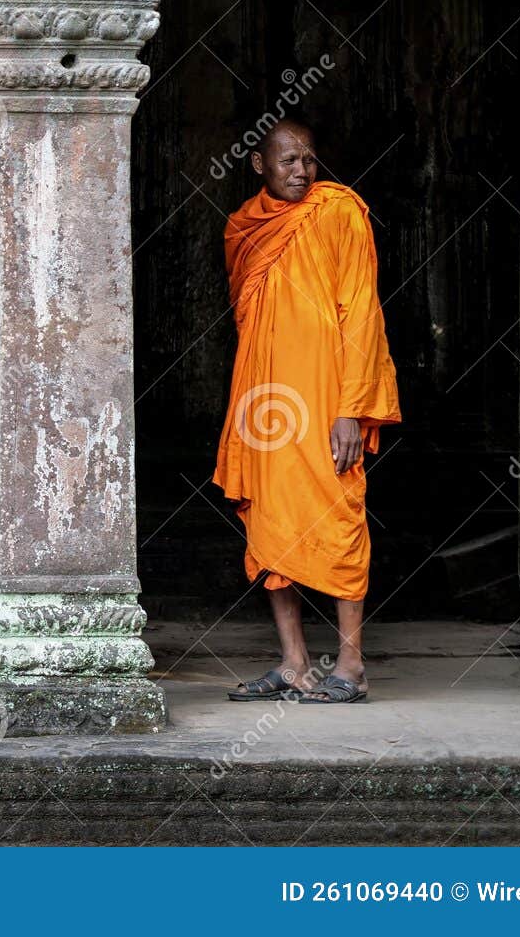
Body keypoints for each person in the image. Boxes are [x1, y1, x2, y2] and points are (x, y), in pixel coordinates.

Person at [212, 119, 401, 704]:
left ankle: (351, 664)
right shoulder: (245, 227)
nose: (301, 171)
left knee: (340, 517)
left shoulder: (339, 212)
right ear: (259, 166)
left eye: (309, 160)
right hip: (265, 404)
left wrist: (351, 407)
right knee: (270, 527)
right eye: (288, 161)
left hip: (324, 400)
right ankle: (294, 662)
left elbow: (361, 310)